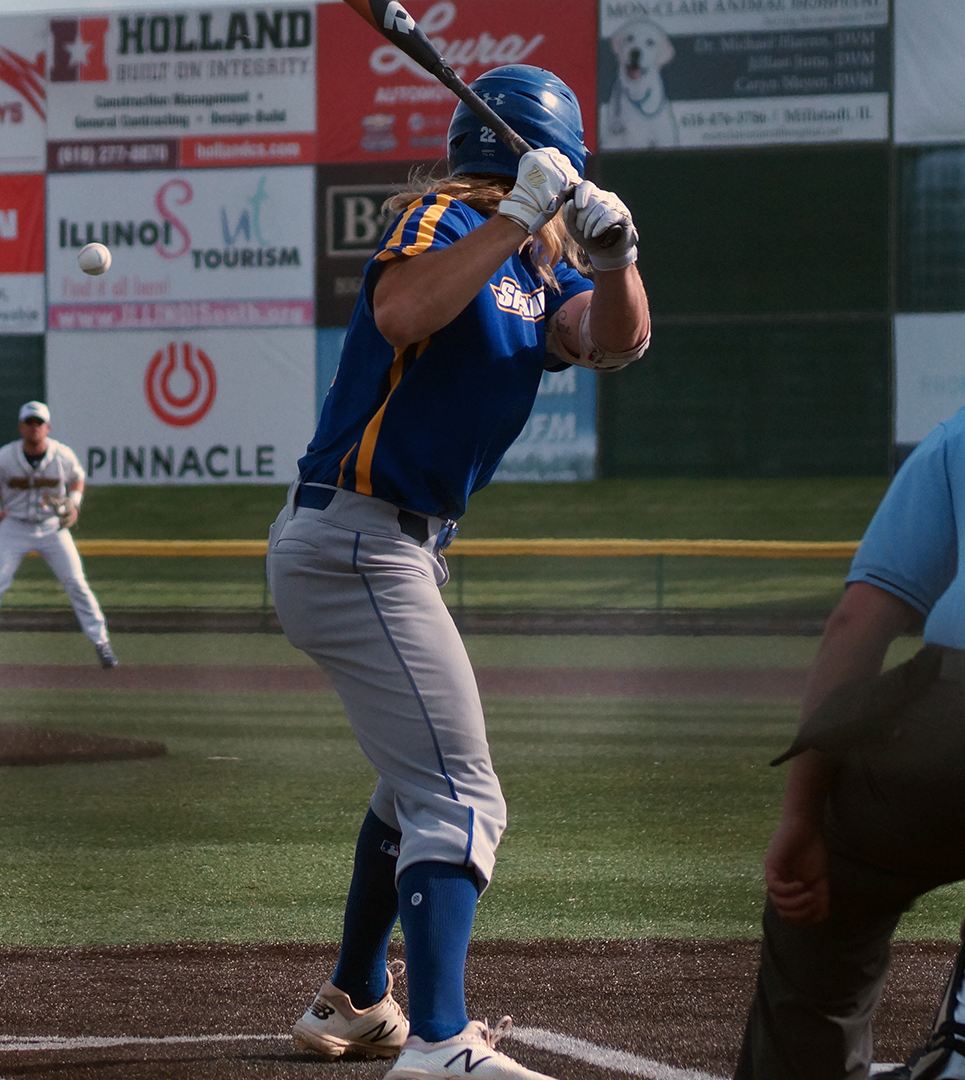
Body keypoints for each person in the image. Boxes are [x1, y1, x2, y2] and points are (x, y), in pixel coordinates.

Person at [267, 66, 650, 1079]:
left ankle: (355, 997)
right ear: (544, 159)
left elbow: (614, 344)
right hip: (355, 536)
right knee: (461, 797)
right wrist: (513, 216)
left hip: (394, 546)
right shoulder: (446, 219)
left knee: (415, 787)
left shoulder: (539, 259)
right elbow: (403, 313)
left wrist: (614, 261)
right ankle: (440, 1043)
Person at [736, 404, 965, 1080]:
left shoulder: (958, 436)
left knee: (827, 893)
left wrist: (803, 819)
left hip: (946, 723)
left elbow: (859, 621)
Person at [0, 400, 116, 670]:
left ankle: (102, 644)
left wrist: (76, 503)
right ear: (21, 427)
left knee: (77, 583)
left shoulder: (62, 454)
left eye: (39, 423)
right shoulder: (4, 457)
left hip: (51, 527)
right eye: (30, 423)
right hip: (15, 526)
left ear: (48, 428)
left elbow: (77, 478)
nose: (34, 428)